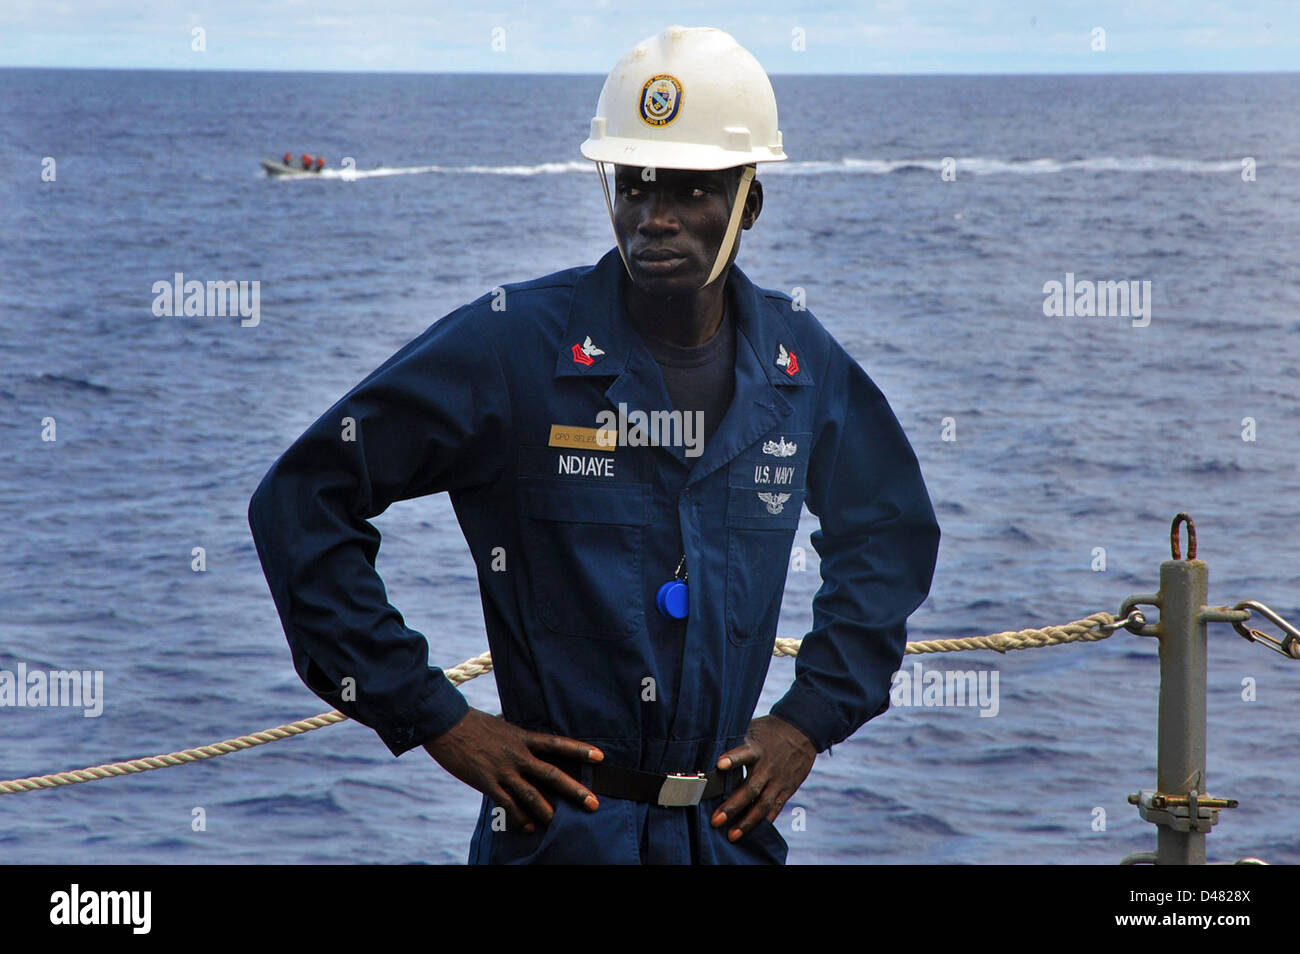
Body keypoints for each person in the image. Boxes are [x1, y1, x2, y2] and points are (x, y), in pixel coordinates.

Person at [247, 25, 939, 865]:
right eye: (635, 188)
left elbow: (888, 531)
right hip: (560, 838)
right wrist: (434, 716)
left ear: (749, 204)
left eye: (691, 191)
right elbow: (303, 500)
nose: (657, 219)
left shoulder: (799, 366)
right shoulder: (514, 349)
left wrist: (809, 719)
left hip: (724, 839)